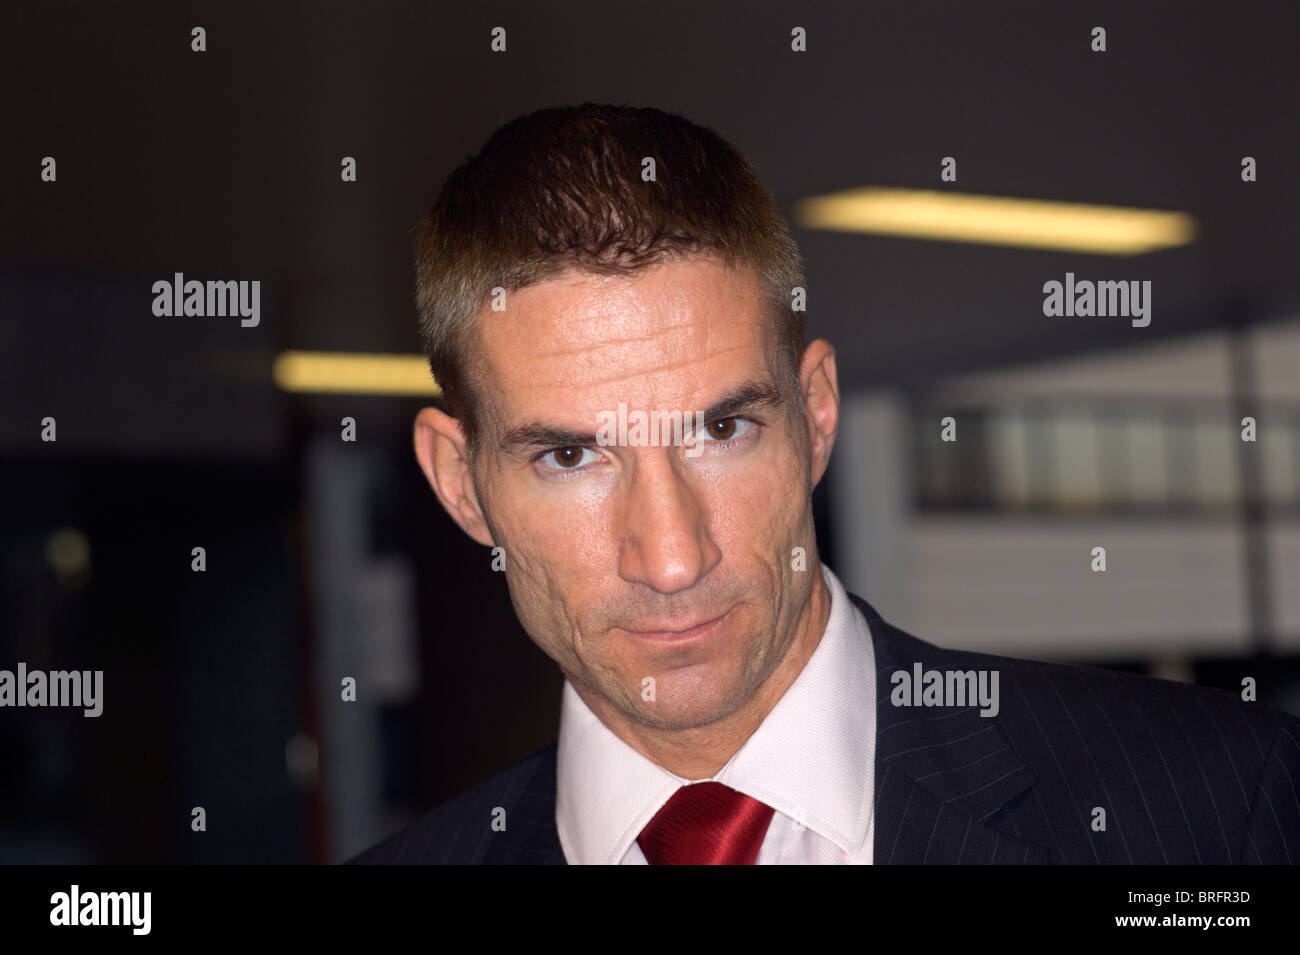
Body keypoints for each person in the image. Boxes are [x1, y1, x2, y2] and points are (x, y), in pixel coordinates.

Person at [351, 103, 1300, 864]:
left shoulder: (1215, 802)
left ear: (816, 415)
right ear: (461, 484)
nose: (674, 557)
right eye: (569, 457)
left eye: (724, 428)